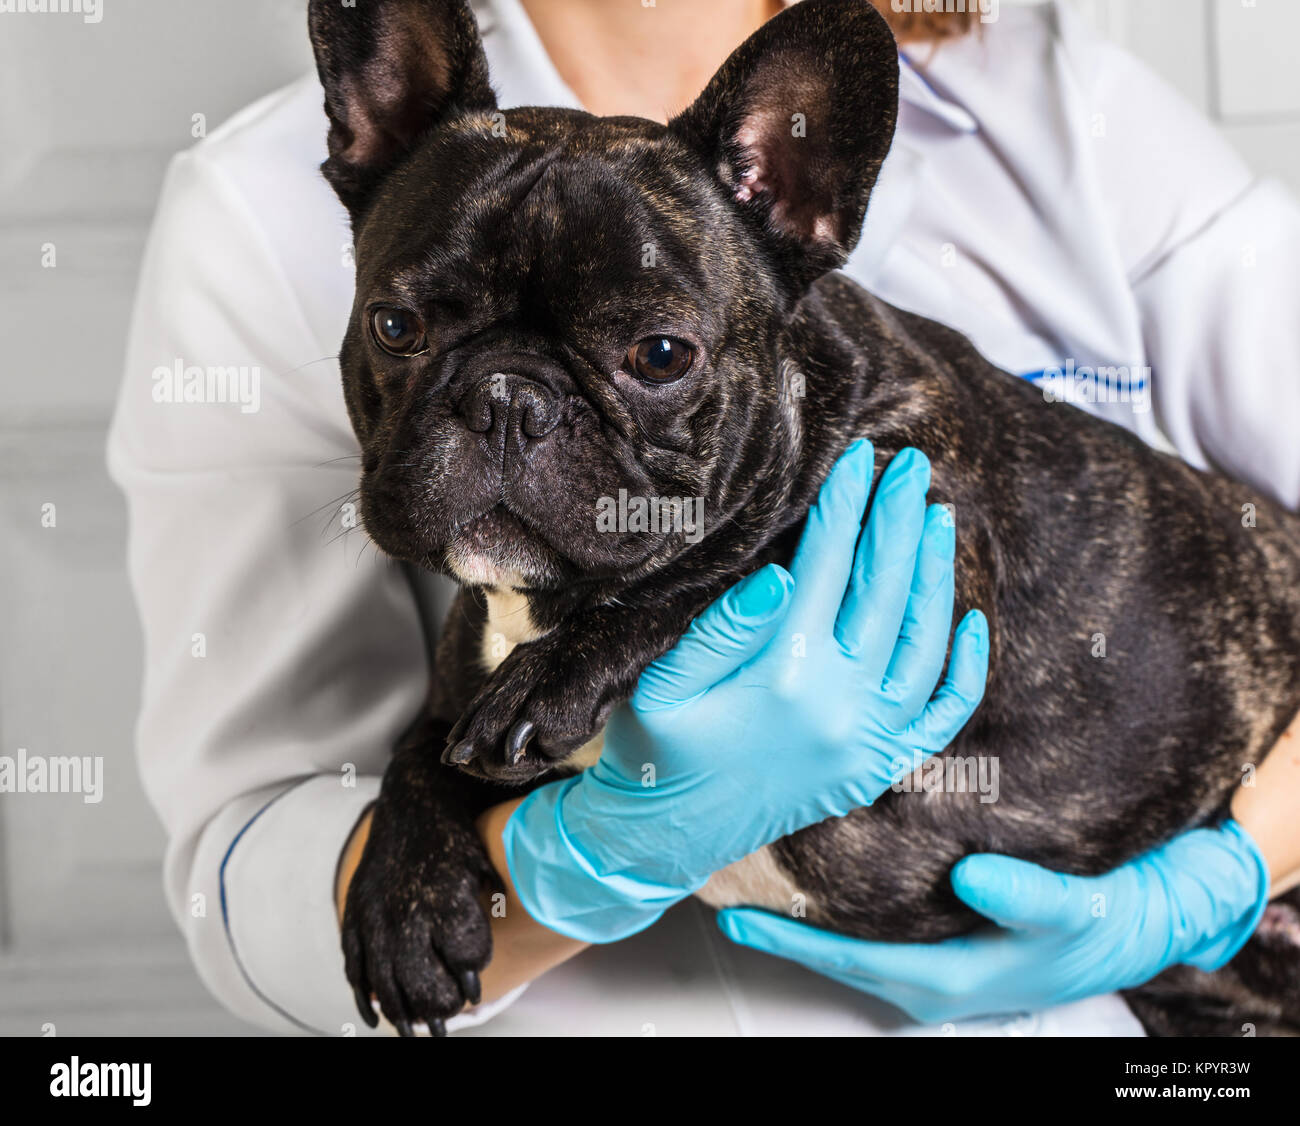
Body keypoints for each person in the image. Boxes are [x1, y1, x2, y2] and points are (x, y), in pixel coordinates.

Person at [109, 0, 1300, 1037]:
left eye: (656, 355)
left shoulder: (1054, 98)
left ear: (804, 199)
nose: (510, 422)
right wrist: (568, 865)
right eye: (411, 333)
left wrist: (1239, 866)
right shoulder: (263, 200)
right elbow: (250, 869)